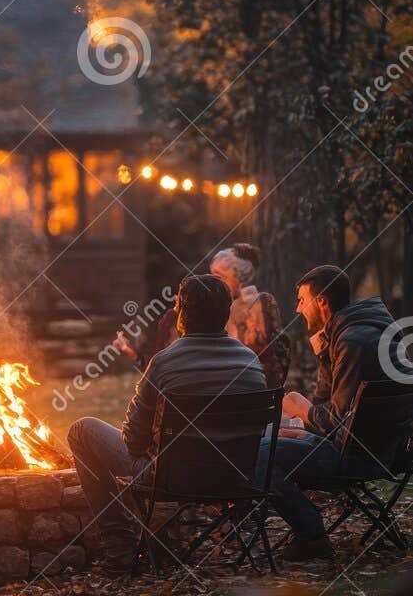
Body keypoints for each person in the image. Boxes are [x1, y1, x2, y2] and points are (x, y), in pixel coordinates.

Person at [68, 273, 265, 567]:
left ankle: (119, 547)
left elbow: (133, 440)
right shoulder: (250, 362)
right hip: (237, 477)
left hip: (171, 478)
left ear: (182, 312)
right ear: (225, 313)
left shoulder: (165, 363)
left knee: (81, 430)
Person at [264, 265, 398, 564]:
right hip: (382, 448)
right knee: (273, 439)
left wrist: (301, 409)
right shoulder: (360, 331)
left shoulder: (353, 343)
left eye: (302, 300)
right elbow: (336, 411)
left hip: (358, 456)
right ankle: (308, 533)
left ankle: (311, 537)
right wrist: (305, 429)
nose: (298, 309)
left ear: (322, 301)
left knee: (261, 454)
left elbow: (336, 419)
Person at [209, 242, 290, 388]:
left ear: (239, 277)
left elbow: (270, 352)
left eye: (220, 277)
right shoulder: (219, 305)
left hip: (253, 383)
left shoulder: (260, 304)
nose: (216, 283)